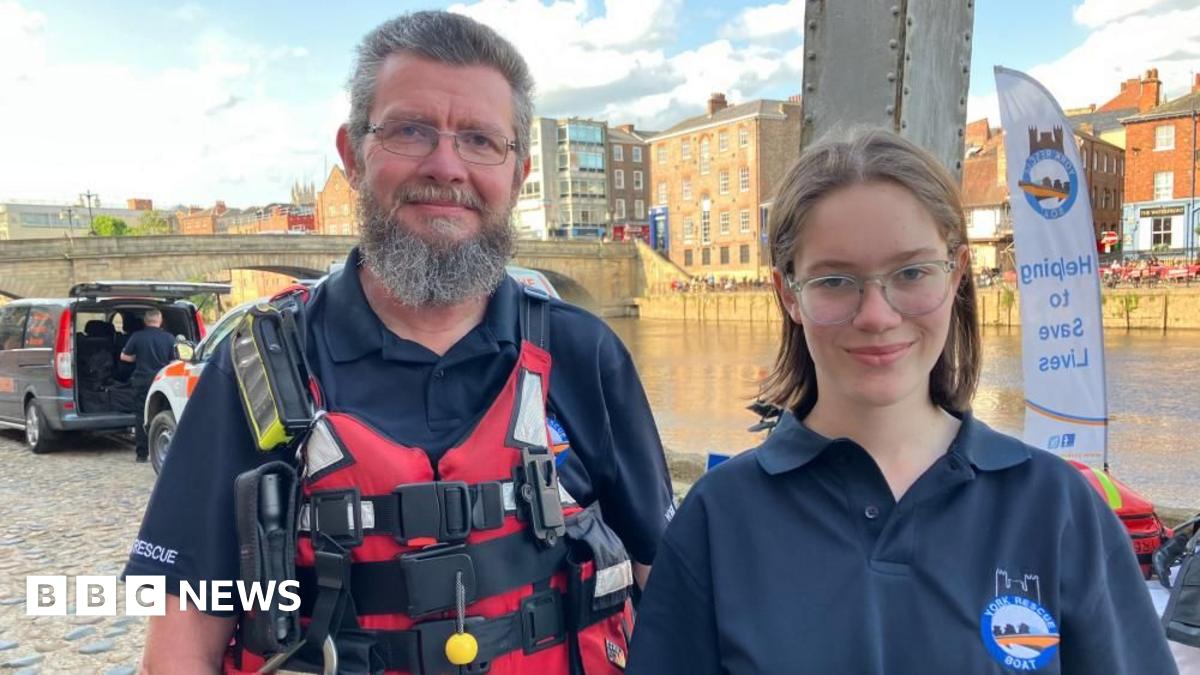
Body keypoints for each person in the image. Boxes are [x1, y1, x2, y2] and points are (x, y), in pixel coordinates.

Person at [126, 11, 674, 674]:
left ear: (519, 172)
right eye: (412, 130)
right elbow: (180, 654)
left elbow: (666, 594)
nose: (447, 166)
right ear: (353, 154)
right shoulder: (254, 372)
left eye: (479, 140)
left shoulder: (585, 356)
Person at [627, 129, 1177, 674]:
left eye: (911, 272)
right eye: (836, 280)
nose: (877, 315)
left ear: (956, 275)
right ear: (788, 294)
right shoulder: (718, 520)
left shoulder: (1057, 509)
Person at [119, 308, 177, 462]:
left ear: (146, 321)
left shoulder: (137, 336)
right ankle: (162, 450)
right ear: (160, 320)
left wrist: (137, 357)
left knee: (140, 416)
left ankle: (142, 454)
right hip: (163, 382)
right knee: (163, 415)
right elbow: (174, 362)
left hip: (142, 381)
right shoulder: (170, 338)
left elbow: (124, 356)